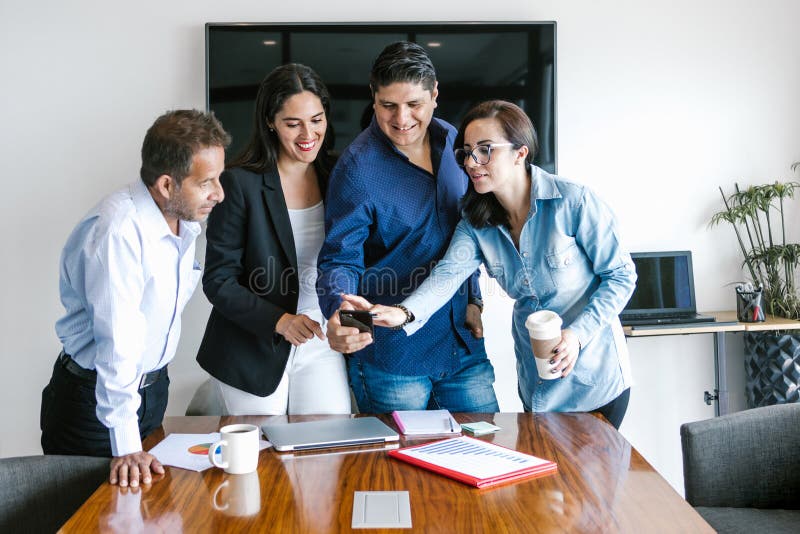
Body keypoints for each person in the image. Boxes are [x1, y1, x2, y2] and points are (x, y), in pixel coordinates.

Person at [343, 100, 636, 428]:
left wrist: (576, 336)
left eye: (485, 150)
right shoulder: (476, 223)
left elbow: (621, 277)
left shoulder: (574, 202)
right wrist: (403, 313)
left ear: (520, 153)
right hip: (539, 383)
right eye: (466, 152)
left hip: (595, 378)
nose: (471, 163)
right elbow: (447, 276)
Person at [41, 109, 230, 486]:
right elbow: (119, 343)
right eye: (206, 182)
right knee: (95, 514)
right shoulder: (120, 231)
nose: (219, 193)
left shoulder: (183, 219)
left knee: (149, 508)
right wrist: (126, 446)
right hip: (97, 405)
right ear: (166, 185)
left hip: (150, 392)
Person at [317, 42, 499, 413]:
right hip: (394, 357)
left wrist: (474, 299)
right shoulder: (355, 170)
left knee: (486, 443)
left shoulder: (455, 143)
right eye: (388, 105)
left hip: (462, 345)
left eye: (414, 104)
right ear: (373, 97)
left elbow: (468, 232)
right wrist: (341, 311)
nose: (401, 119)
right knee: (399, 454)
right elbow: (340, 259)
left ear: (434, 94)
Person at [196, 64, 351, 415]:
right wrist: (280, 321)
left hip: (319, 337)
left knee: (328, 439)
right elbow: (218, 280)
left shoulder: (339, 176)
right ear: (270, 122)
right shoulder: (239, 183)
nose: (308, 134)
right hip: (253, 342)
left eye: (317, 120)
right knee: (261, 444)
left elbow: (354, 257)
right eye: (292, 124)